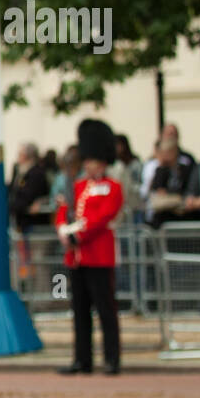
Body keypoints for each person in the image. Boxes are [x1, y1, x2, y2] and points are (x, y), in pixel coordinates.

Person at [56, 120, 123, 376]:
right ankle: (82, 359)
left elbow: (103, 217)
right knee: (80, 311)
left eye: (92, 160)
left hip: (99, 256)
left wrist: (77, 234)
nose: (87, 165)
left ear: (103, 162)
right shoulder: (78, 186)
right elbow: (64, 211)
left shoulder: (113, 188)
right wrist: (63, 229)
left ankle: (111, 359)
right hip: (77, 258)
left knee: (106, 310)